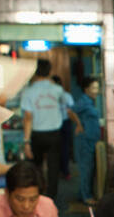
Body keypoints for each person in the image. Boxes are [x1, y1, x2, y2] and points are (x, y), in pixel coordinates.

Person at [21, 60, 80, 201]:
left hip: (37, 134)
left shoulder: (28, 92)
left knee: (36, 166)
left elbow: (28, 117)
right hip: (54, 133)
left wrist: (26, 141)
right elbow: (68, 109)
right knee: (54, 166)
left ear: (35, 72)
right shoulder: (58, 90)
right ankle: (52, 197)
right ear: (49, 71)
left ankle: (38, 194)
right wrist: (78, 123)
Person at [74, 75, 103, 205]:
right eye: (94, 88)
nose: (96, 90)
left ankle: (82, 194)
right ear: (86, 89)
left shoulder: (90, 101)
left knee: (89, 168)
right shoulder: (83, 101)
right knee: (86, 168)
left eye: (97, 87)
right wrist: (79, 125)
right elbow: (70, 111)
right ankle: (86, 197)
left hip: (92, 139)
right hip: (85, 140)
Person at [52, 75, 78, 181]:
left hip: (56, 124)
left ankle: (60, 172)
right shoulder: (67, 96)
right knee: (64, 148)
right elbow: (71, 109)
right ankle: (65, 172)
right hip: (64, 123)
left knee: (57, 149)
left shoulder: (51, 97)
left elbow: (71, 111)